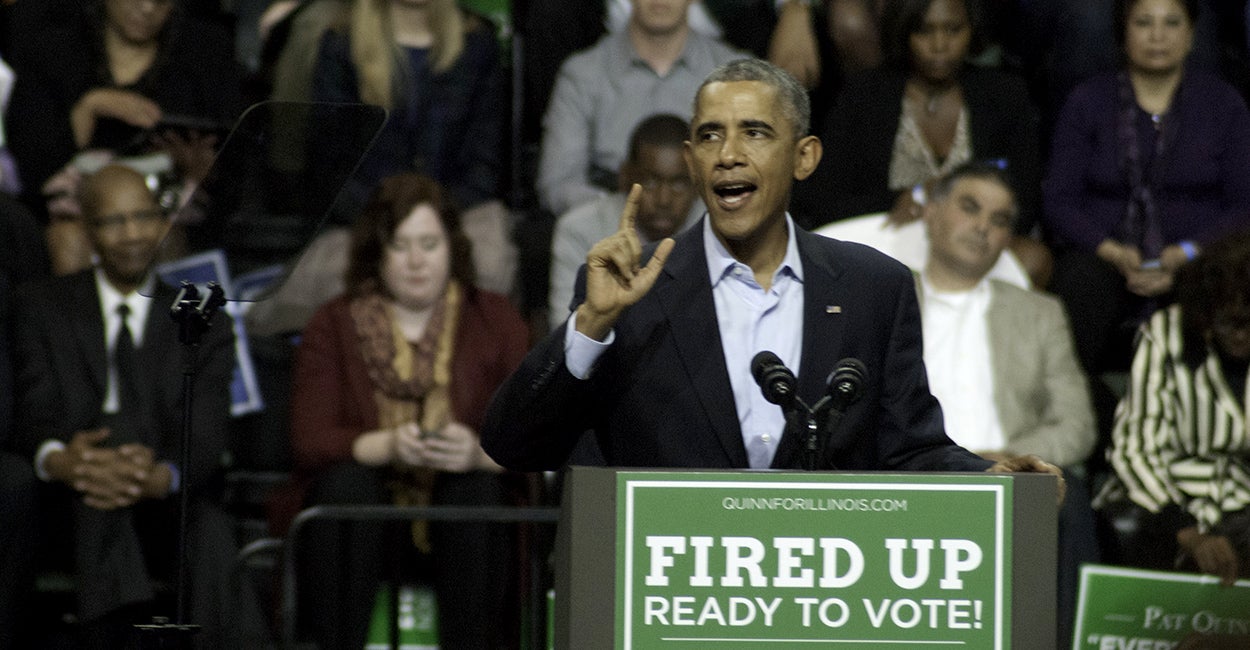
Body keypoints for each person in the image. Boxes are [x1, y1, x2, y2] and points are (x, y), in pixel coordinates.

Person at [482, 59, 1060, 485]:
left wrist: (990, 473)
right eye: (710, 136)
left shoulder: (872, 289)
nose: (728, 153)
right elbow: (513, 444)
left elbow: (907, 449)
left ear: (804, 157)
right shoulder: (628, 290)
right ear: (692, 161)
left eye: (754, 132)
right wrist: (590, 328)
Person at [270, 173, 530, 649]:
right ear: (377, 252)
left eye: (429, 244)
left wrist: (477, 453)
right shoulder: (333, 321)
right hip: (368, 528)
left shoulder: (495, 318)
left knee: (476, 491)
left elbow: (533, 440)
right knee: (347, 486)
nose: (416, 262)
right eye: (400, 245)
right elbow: (308, 439)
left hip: (461, 524)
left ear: (451, 246)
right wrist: (386, 445)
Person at [10, 164, 237, 649]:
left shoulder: (203, 317)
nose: (132, 234)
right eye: (114, 222)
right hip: (70, 499)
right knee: (96, 499)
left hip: (164, 496)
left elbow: (208, 430)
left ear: (162, 223)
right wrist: (63, 461)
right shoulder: (41, 306)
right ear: (89, 232)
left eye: (143, 217)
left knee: (209, 528)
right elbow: (33, 410)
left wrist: (163, 475)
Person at [917, 161, 1099, 646]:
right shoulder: (884, 297)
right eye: (970, 208)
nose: (983, 227)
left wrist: (1007, 458)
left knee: (1068, 494)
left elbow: (1077, 424)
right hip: (911, 474)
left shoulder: (1039, 314)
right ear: (932, 212)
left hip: (1009, 478)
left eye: (1000, 221)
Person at [1043, 0, 1250, 375]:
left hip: (1199, 252)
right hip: (1105, 253)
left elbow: (1243, 203)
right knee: (1079, 281)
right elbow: (1059, 200)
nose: (1158, 36)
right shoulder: (1087, 100)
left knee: (1234, 272)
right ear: (1123, 33)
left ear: (1190, 35)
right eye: (1143, 23)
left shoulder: (1223, 104)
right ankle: (1084, 415)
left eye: (1172, 23)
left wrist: (1188, 252)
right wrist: (1112, 252)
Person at [790, 0, 1041, 235]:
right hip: (882, 240)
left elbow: (1026, 200)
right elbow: (823, 198)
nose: (939, 45)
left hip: (973, 244)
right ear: (904, 32)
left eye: (953, 30)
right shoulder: (865, 94)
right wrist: (903, 199)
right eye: (924, 31)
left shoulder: (1004, 95)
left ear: (972, 30)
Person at [1094, 228, 1250, 588]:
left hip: (1239, 496)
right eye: (1230, 322)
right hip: (1160, 493)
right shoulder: (1166, 333)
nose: (1241, 336)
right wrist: (1185, 529)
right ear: (1208, 314)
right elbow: (1135, 448)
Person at [536, 0, 741, 216]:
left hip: (710, 231)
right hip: (608, 230)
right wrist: (623, 217)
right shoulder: (582, 74)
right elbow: (559, 183)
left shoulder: (735, 75)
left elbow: (750, 178)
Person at [548, 113, 701, 331]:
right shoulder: (579, 230)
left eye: (679, 184)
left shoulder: (716, 230)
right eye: (650, 182)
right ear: (625, 177)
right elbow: (564, 333)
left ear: (698, 184)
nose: (664, 200)